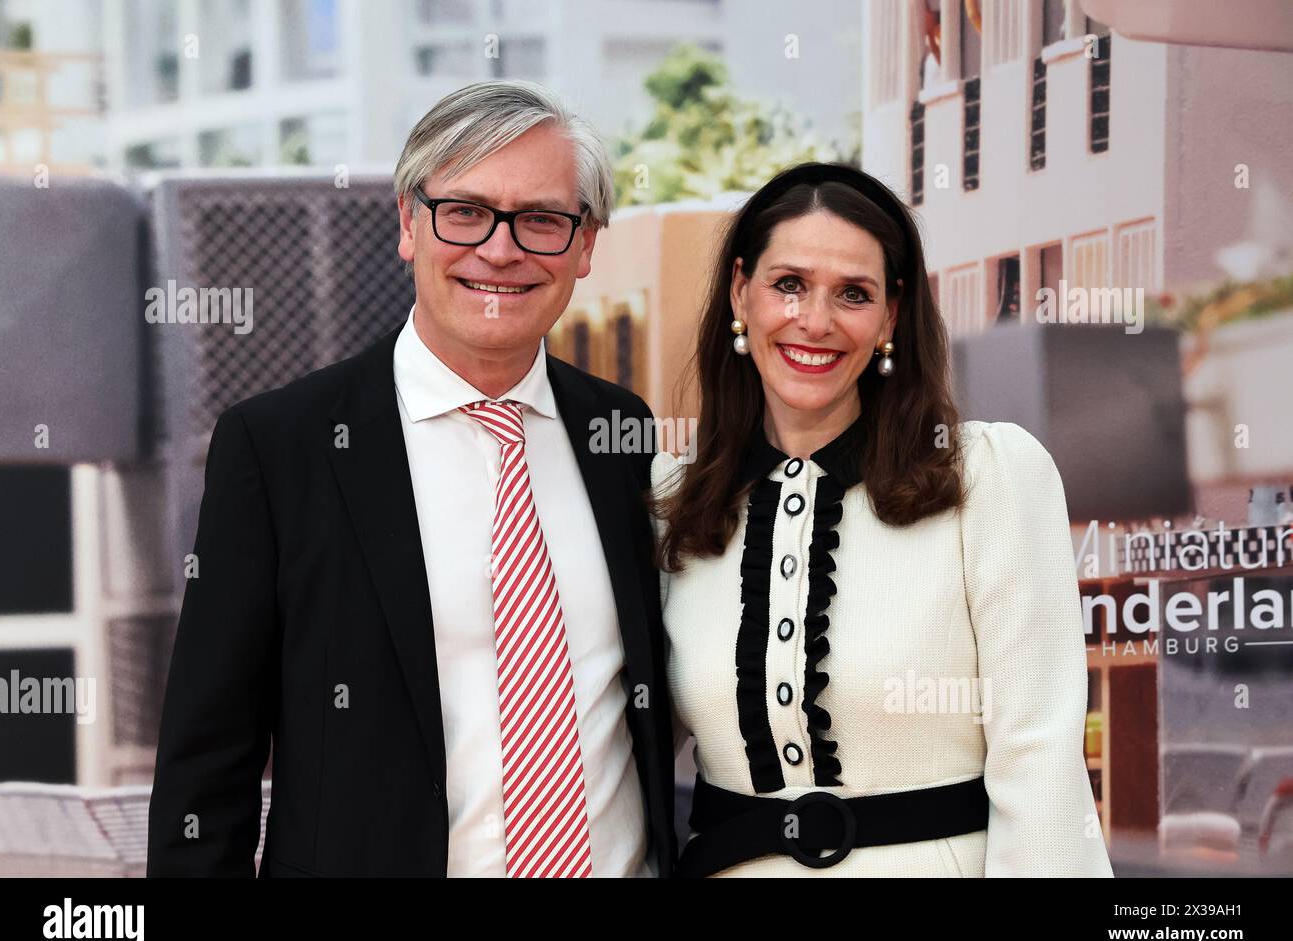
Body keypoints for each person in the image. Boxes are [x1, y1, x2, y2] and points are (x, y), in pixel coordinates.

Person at [147, 80, 675, 877]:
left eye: (541, 220)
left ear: (586, 245)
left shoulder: (621, 433)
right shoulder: (282, 447)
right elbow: (206, 762)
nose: (500, 250)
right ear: (407, 222)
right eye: (464, 212)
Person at [651, 162, 1113, 877]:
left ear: (891, 315)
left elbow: (1041, 760)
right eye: (789, 284)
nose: (816, 320)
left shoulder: (989, 477)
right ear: (742, 291)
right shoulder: (676, 499)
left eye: (854, 294)